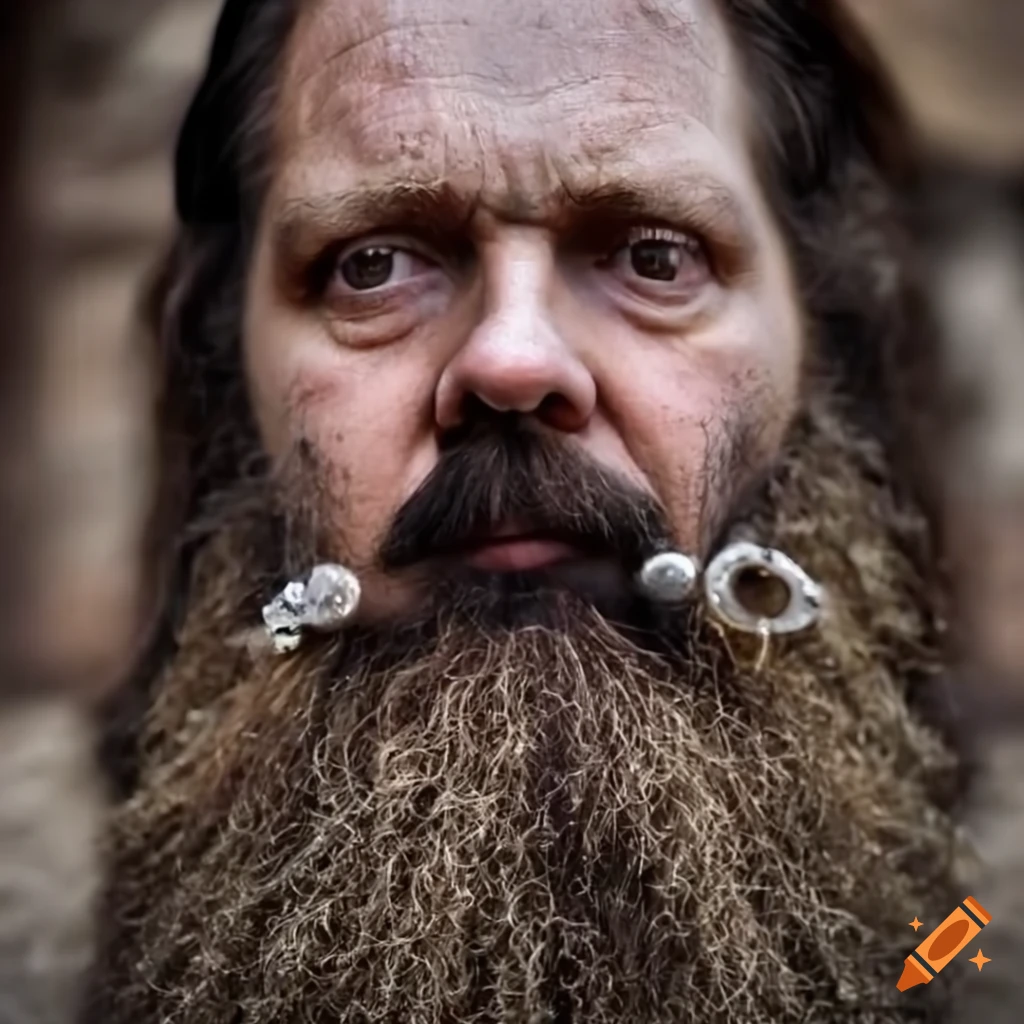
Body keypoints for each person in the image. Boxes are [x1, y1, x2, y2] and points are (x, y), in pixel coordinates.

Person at [85, 0, 968, 1020]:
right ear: (228, 373)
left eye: (654, 256)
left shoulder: (970, 928)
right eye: (372, 264)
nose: (511, 360)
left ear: (822, 347)